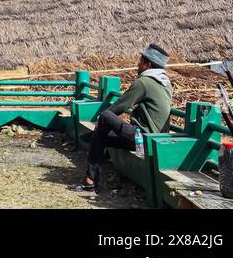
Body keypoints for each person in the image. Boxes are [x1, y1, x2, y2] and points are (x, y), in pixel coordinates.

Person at [71, 44, 173, 194]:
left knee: (105, 117)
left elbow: (120, 107)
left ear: (148, 64)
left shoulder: (144, 83)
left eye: (140, 60)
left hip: (143, 140)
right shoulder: (165, 84)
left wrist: (100, 122)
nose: (138, 64)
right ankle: (90, 179)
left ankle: (90, 179)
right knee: (99, 138)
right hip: (155, 143)